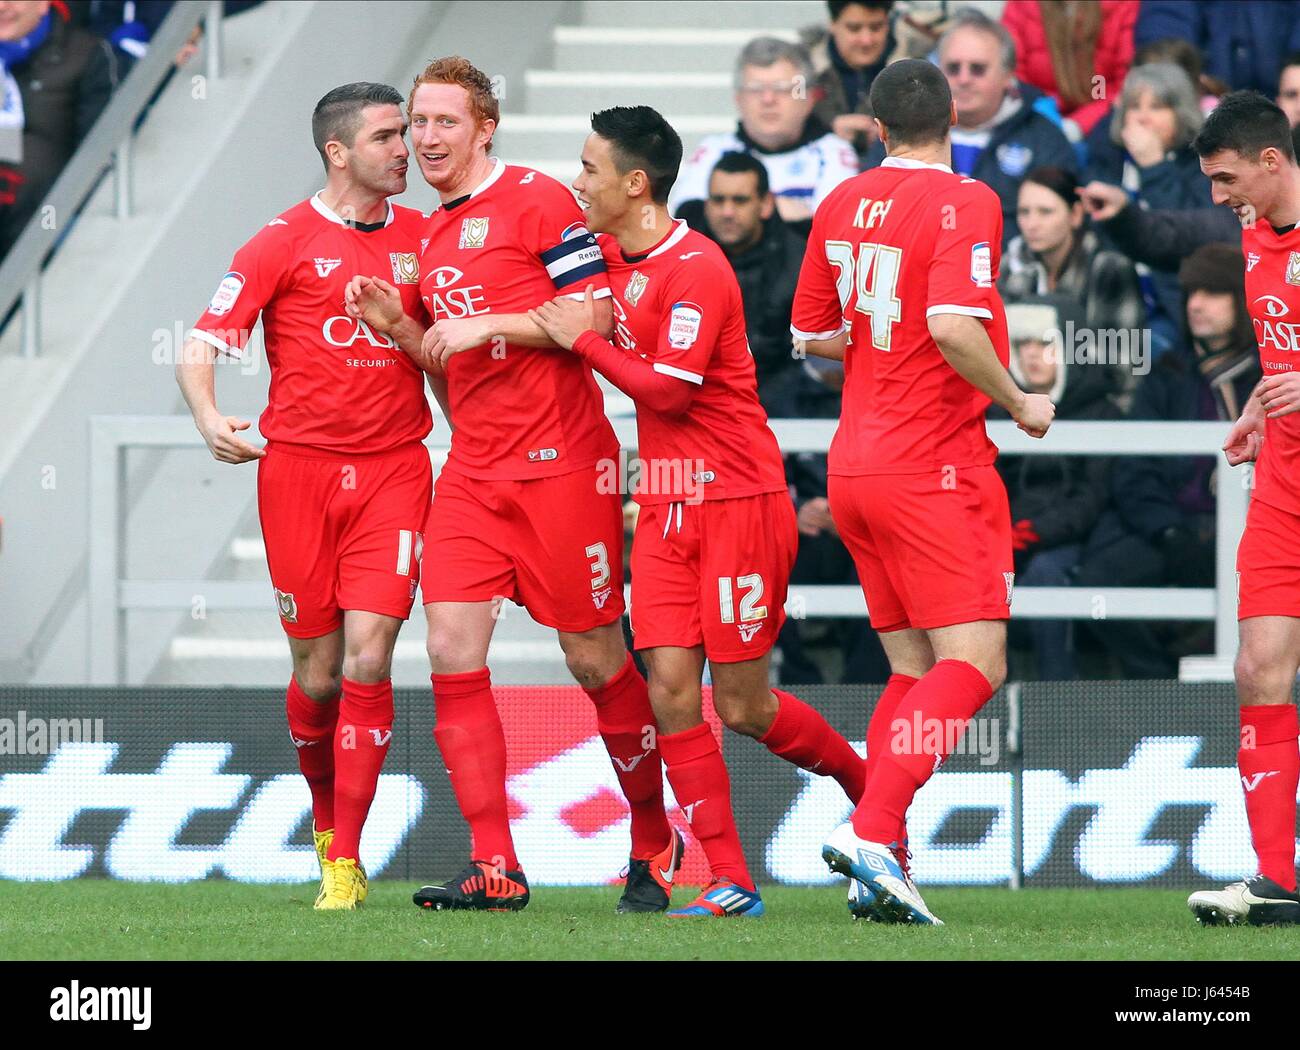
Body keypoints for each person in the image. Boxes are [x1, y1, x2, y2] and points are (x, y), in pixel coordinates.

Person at [342, 57, 677, 915]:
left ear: (484, 128)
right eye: (417, 123)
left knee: (595, 658)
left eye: (445, 122)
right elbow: (446, 360)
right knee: (451, 652)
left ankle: (653, 841)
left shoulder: (539, 199)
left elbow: (592, 318)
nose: (426, 138)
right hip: (474, 475)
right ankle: (495, 864)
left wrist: (487, 320)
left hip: (566, 469)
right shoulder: (425, 237)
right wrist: (401, 328)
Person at [530, 106, 867, 919]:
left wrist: (586, 342)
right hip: (666, 506)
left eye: (589, 169)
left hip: (739, 502)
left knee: (744, 707)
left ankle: (872, 793)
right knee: (671, 692)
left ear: (634, 184)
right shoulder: (607, 257)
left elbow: (669, 391)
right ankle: (730, 878)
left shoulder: (697, 267)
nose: (579, 182)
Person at [791, 58, 1054, 924]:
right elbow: (950, 323)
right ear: (955, 118)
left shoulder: (840, 201)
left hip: (856, 465)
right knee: (976, 663)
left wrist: (881, 344)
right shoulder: (967, 200)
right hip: (932, 465)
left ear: (876, 127)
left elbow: (810, 334)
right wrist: (1017, 398)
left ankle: (886, 859)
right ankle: (873, 830)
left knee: (911, 668)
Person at [176, 83, 432, 910]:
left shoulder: (426, 240)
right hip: (299, 476)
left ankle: (345, 864)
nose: (407, 150)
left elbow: (452, 350)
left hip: (395, 469)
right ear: (338, 151)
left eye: (408, 134)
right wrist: (210, 415)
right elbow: (200, 342)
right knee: (318, 674)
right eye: (389, 137)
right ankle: (325, 819)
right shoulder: (281, 241)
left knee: (370, 656)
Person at [1185, 91, 1300, 925]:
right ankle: (1276, 880)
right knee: (1258, 668)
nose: (1220, 195)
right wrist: (1262, 405)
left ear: (1271, 161)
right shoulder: (1253, 236)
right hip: (1287, 487)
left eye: (1227, 178)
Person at [863, 7, 1076, 246]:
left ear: (1008, 76)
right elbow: (871, 210)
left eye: (978, 69)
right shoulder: (902, 127)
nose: (964, 79)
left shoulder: (1044, 138)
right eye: (953, 68)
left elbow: (1062, 228)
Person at [992, 296, 1119, 681]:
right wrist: (1001, 531)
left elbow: (1093, 497)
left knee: (1047, 576)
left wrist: (1034, 532)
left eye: (1044, 344)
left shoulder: (1102, 413)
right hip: (1003, 536)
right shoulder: (996, 408)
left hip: (1069, 541)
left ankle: (1055, 699)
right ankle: (989, 704)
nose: (1032, 355)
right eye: (1022, 345)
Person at [668, 36, 858, 233]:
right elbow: (686, 220)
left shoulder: (834, 152)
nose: (768, 99)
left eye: (782, 89)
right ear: (738, 99)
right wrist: (779, 211)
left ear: (810, 97)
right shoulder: (714, 150)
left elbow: (834, 230)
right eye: (756, 89)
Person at [1000, 166, 1145, 381]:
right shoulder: (1010, 266)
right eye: (1024, 212)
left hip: (1094, 407)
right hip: (1021, 402)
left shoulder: (1108, 268)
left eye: (1045, 212)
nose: (1032, 224)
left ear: (1076, 214)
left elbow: (1125, 365)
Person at [682, 150, 806, 395]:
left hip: (778, 403)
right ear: (706, 204)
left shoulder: (799, 262)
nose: (727, 212)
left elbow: (802, 358)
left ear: (766, 204)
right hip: (694, 395)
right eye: (718, 200)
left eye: (740, 200)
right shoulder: (681, 252)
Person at [0, 0, 117, 258]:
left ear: (43, 4)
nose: (2, 6)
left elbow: (99, 155)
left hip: (50, 224)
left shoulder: (87, 54)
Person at [999, 0, 1136, 140]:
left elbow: (1125, 84)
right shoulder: (1021, 5)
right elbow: (1012, 76)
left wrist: (1078, 125)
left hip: (1100, 126)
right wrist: (1041, 117)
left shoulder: (1123, 6)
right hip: (1033, 122)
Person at [801, 0, 895, 161]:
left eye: (876, 27)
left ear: (888, 23)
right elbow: (783, 128)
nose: (866, 40)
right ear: (832, 24)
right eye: (854, 28)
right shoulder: (800, 68)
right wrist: (828, 129)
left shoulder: (918, 66)